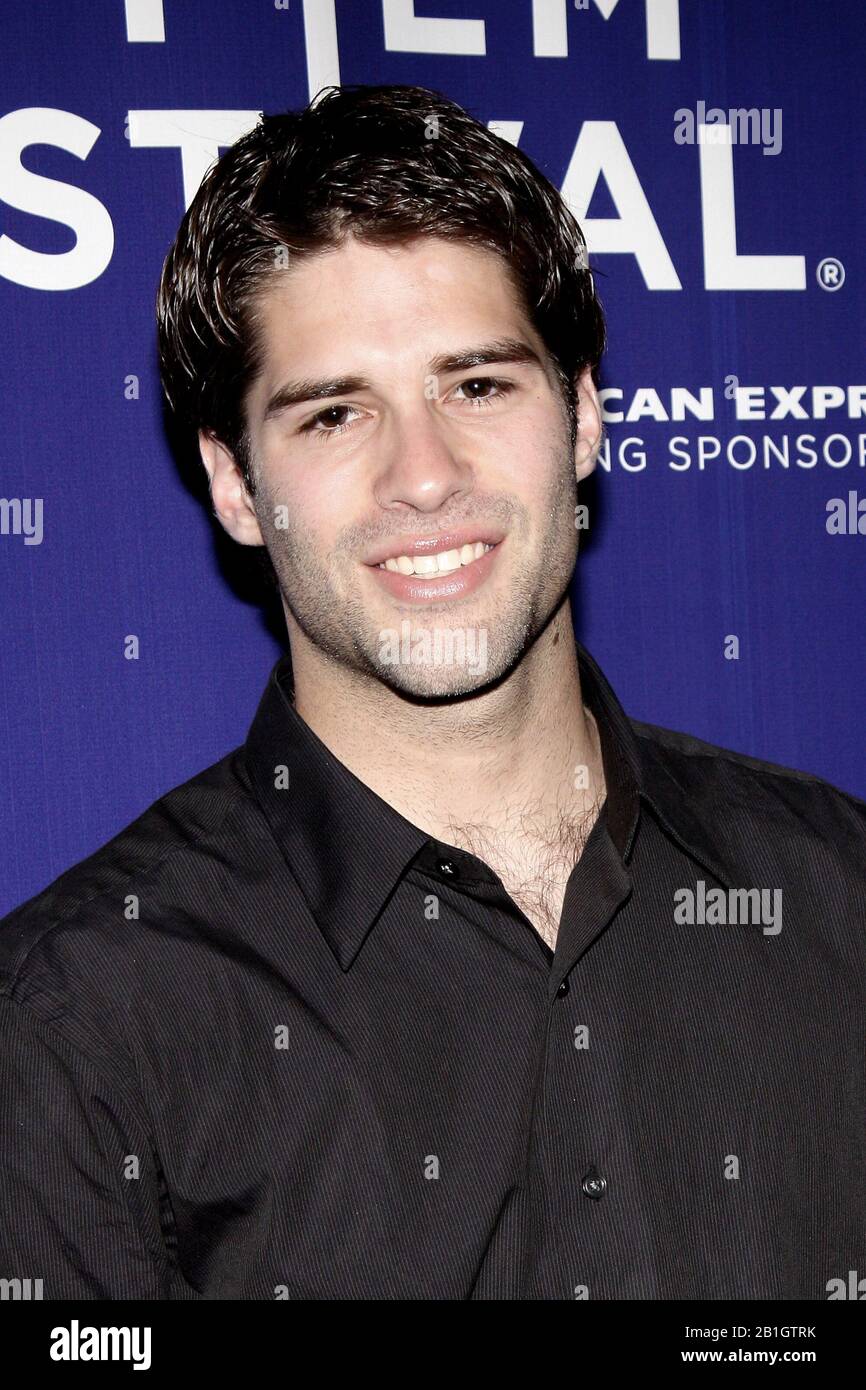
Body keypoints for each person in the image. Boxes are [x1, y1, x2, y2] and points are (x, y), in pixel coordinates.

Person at [1, 84, 863, 1301]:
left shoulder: (836, 898)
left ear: (582, 415)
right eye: (336, 412)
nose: (423, 476)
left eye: (476, 386)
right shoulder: (75, 1022)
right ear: (236, 487)